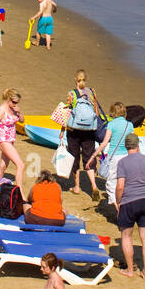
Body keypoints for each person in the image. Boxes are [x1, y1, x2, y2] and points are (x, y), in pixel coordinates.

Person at [115, 134, 145, 280]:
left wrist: (118, 202)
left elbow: (120, 186)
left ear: (126, 146)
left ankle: (130, 270)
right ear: (138, 145)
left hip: (129, 201)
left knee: (126, 236)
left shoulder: (122, 163)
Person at [86, 101, 134, 210]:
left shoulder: (111, 124)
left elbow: (104, 143)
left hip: (115, 157)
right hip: (127, 157)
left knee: (111, 185)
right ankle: (124, 208)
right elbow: (133, 142)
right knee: (124, 183)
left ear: (113, 113)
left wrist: (93, 156)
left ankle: (120, 212)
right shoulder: (130, 125)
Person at [62, 70, 100, 199]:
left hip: (74, 130)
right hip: (89, 130)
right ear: (86, 79)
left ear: (75, 79)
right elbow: (97, 113)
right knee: (89, 156)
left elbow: (66, 112)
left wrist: (62, 130)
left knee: (74, 156)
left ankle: (77, 187)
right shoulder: (91, 92)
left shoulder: (72, 94)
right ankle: (94, 186)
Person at [0, 89, 25, 188]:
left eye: (17, 102)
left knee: (3, 166)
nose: (15, 104)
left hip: (10, 140)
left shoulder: (14, 108)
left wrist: (19, 112)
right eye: (14, 102)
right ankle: (20, 193)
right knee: (21, 165)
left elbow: (22, 121)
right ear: (8, 99)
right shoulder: (2, 110)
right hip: (3, 140)